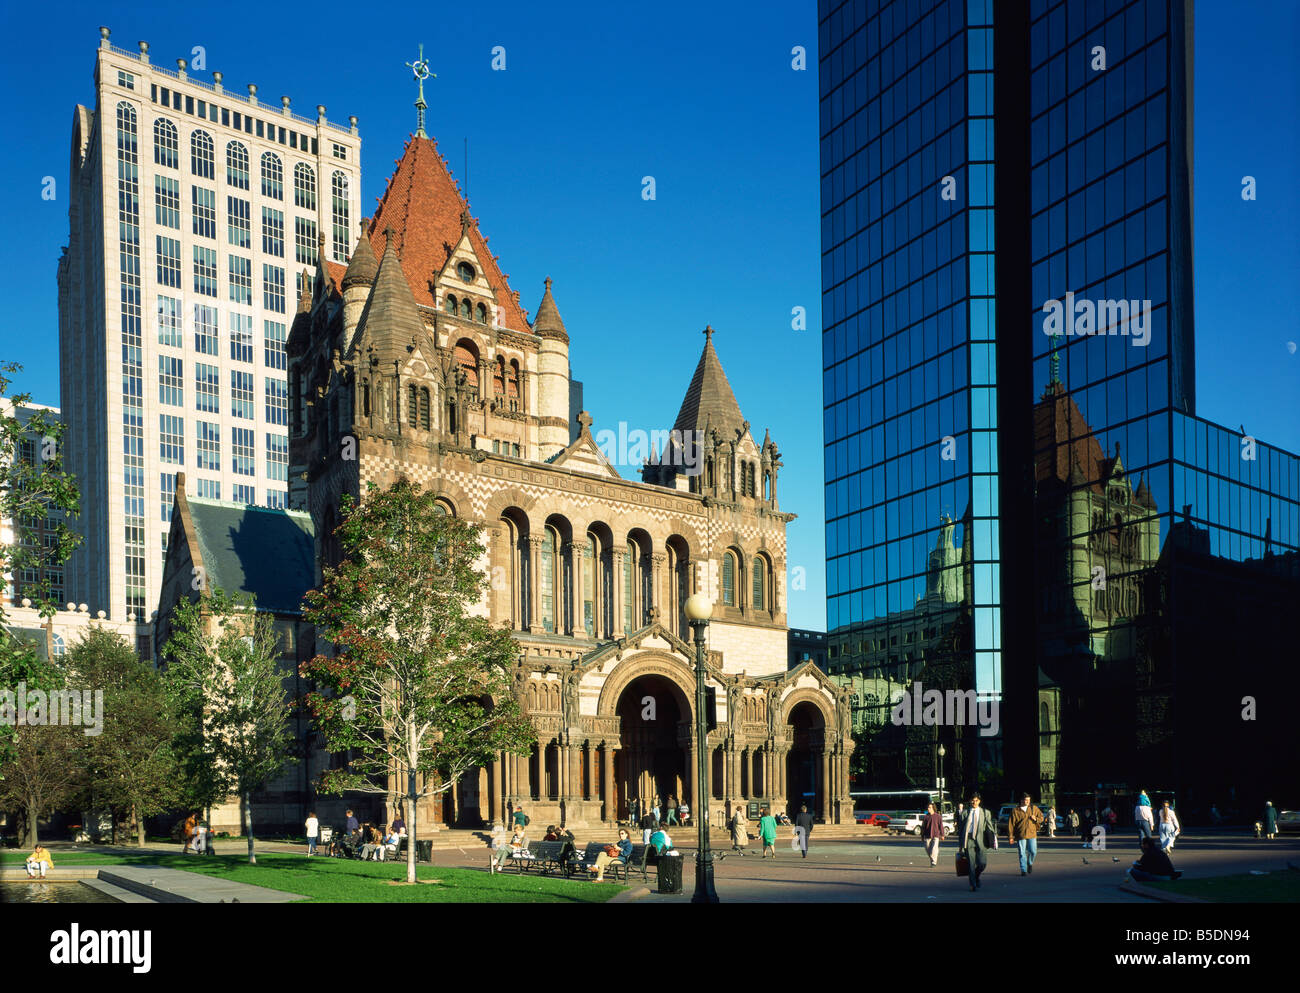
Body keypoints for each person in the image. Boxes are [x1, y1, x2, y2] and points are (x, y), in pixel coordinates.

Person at [959, 791, 997, 891]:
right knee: (971, 864)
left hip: (981, 840)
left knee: (982, 863)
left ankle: (976, 876)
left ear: (979, 801)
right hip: (969, 840)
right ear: (970, 801)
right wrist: (960, 845)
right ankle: (972, 884)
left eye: (976, 800)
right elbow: (961, 829)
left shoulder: (985, 812)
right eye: (973, 800)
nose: (974, 802)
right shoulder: (965, 813)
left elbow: (990, 827)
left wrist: (994, 839)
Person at [1009, 793, 1043, 876]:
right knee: (1022, 852)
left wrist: (1036, 818)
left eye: (1029, 800)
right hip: (1021, 834)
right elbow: (1011, 824)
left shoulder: (1034, 808)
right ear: (1021, 800)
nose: (1028, 801)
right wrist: (1011, 836)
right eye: (1026, 800)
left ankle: (1030, 863)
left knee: (1033, 851)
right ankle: (1023, 870)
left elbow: (1041, 818)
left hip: (1032, 833)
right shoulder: (1015, 810)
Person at [920, 802, 945, 867]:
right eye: (928, 807)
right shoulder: (926, 817)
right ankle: (933, 858)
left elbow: (941, 826)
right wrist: (922, 836)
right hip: (927, 835)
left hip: (936, 835)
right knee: (928, 849)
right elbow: (923, 827)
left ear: (933, 808)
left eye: (930, 807)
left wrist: (942, 835)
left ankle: (934, 862)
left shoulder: (938, 816)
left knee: (934, 849)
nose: (928, 809)